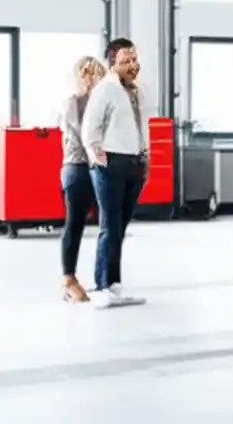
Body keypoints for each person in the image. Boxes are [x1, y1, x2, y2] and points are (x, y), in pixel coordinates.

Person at [80, 37, 150, 309]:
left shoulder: (136, 92)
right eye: (126, 61)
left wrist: (145, 156)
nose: (133, 65)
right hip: (111, 163)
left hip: (134, 162)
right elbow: (90, 128)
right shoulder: (105, 91)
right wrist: (97, 156)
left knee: (121, 226)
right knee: (109, 226)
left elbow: (140, 127)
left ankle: (114, 282)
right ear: (113, 64)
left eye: (135, 60)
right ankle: (101, 286)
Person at [57, 55, 106, 303]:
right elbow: (80, 137)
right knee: (74, 223)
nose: (92, 79)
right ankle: (69, 280)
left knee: (108, 225)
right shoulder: (72, 103)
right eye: (88, 74)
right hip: (77, 168)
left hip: (100, 168)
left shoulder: (104, 104)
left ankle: (106, 279)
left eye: (96, 73)